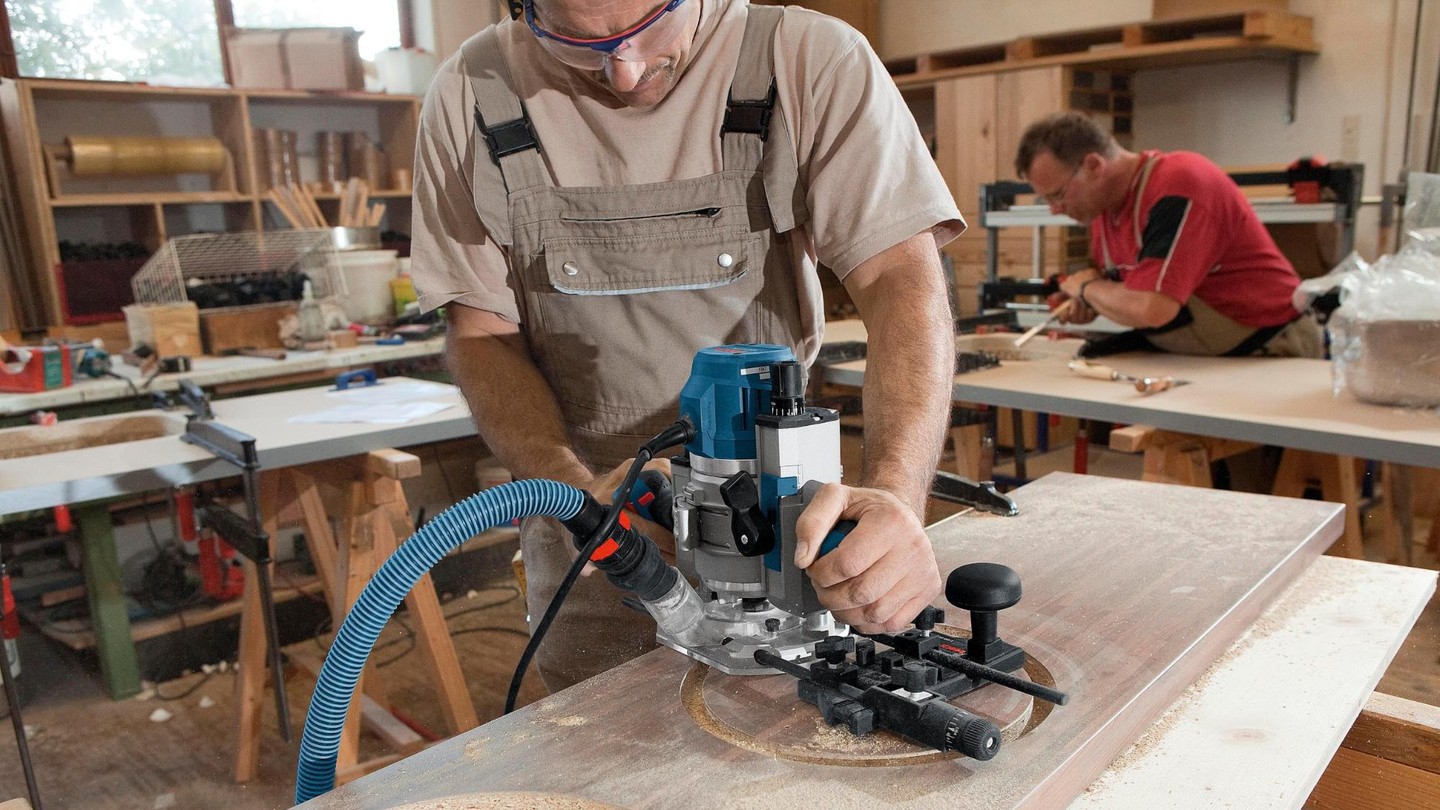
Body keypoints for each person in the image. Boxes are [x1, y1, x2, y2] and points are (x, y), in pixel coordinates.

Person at [409, 0, 962, 692]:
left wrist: (894, 495)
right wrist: (585, 506)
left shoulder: (807, 60)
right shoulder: (472, 94)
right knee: (603, 761)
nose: (624, 71)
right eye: (577, 45)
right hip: (593, 522)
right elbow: (481, 331)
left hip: (781, 515)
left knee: (788, 754)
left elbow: (900, 279)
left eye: (649, 30)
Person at [1014, 112, 1324, 358]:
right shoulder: (1103, 211)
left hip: (1271, 349)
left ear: (1094, 166)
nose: (1054, 210)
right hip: (1207, 355)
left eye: (1058, 195)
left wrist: (1088, 289)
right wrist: (1089, 302)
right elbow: (1125, 290)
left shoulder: (1179, 186)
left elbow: (1154, 308)